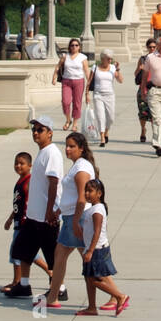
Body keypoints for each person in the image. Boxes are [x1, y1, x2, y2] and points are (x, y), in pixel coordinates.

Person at [6, 116, 66, 300]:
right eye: (34, 129)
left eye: (40, 130)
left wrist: (50, 211)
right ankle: (24, 286)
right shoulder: (42, 152)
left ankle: (60, 289)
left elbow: (54, 183)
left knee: (52, 256)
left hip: (45, 217)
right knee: (22, 251)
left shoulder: (52, 153)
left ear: (50, 133)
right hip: (33, 217)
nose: (35, 132)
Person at [37, 132, 98, 309]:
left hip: (77, 219)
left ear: (81, 148)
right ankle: (53, 297)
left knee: (88, 259)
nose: (67, 149)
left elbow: (81, 199)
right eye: (66, 145)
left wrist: (75, 222)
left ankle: (116, 295)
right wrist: (58, 212)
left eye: (72, 146)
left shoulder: (81, 169)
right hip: (71, 217)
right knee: (61, 256)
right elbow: (71, 197)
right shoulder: (77, 165)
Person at [76, 179, 128, 316]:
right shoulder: (93, 208)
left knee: (94, 279)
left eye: (90, 191)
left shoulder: (98, 210)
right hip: (91, 248)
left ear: (99, 193)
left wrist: (90, 251)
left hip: (97, 250)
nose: (87, 194)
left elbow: (97, 232)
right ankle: (91, 307)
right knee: (88, 278)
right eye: (85, 191)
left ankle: (119, 296)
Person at [1, 151, 50, 294]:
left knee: (16, 252)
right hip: (18, 222)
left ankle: (17, 282)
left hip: (24, 223)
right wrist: (10, 218)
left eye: (22, 163)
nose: (18, 166)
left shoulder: (29, 181)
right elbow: (18, 203)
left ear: (30, 165)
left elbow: (30, 203)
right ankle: (51, 272)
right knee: (29, 254)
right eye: (16, 163)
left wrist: (28, 220)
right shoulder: (20, 181)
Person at [86, 51, 122, 146]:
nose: (110, 60)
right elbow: (89, 81)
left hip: (110, 95)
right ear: (102, 59)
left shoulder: (113, 68)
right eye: (108, 58)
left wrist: (117, 69)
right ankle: (102, 137)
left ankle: (106, 131)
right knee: (100, 116)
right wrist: (87, 95)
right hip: (98, 95)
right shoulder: (95, 67)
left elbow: (120, 80)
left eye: (111, 58)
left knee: (111, 118)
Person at [53, 39, 88, 131]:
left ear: (79, 47)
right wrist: (54, 77)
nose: (74, 47)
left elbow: (86, 70)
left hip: (79, 81)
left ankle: (75, 124)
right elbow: (58, 66)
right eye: (72, 45)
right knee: (66, 102)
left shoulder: (82, 57)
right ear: (69, 46)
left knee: (77, 103)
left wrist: (89, 83)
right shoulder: (65, 56)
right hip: (66, 81)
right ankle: (68, 120)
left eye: (76, 45)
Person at [134, 37, 156, 142]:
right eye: (150, 47)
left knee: (154, 114)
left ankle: (155, 135)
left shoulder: (159, 58)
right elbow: (135, 74)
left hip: (155, 89)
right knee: (142, 113)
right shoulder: (142, 58)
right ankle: (143, 129)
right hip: (143, 88)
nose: (152, 49)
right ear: (147, 47)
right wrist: (140, 68)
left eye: (154, 47)